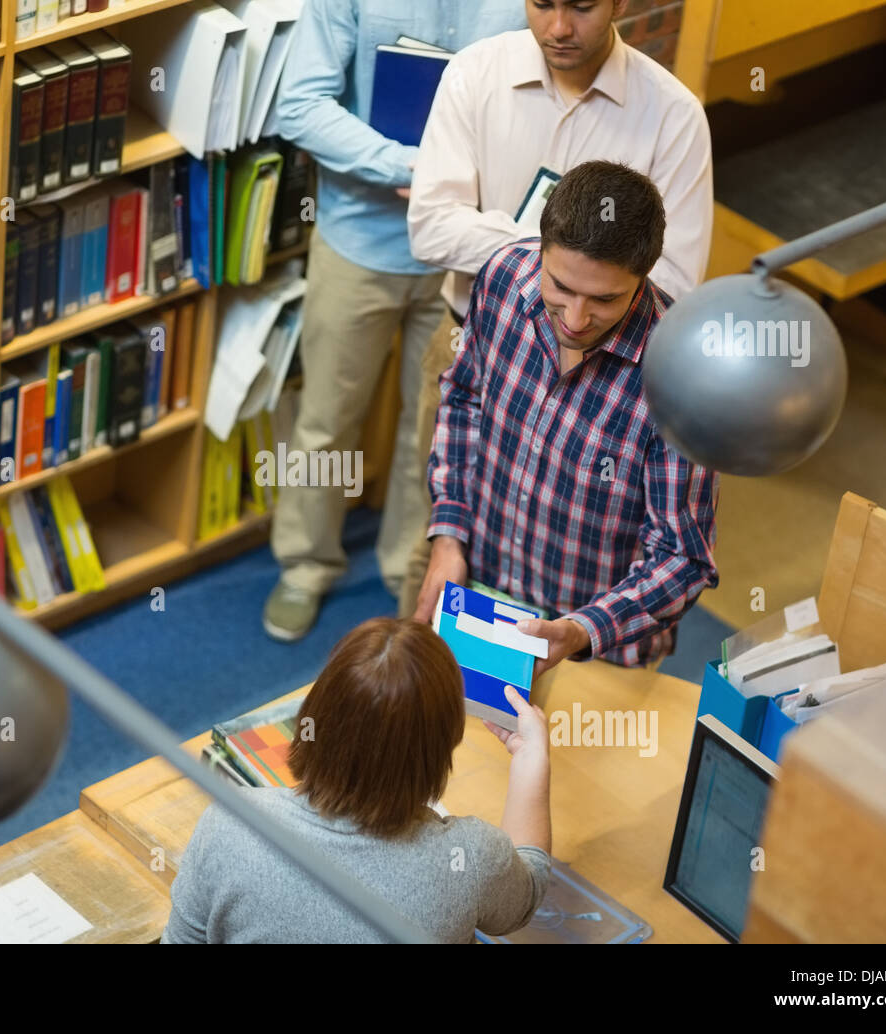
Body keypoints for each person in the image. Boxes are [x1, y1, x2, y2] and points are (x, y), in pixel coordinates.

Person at [398, 0, 714, 616]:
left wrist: (551, 257)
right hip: (475, 338)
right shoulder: (474, 74)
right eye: (542, 3)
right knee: (440, 534)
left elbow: (673, 281)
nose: (559, 27)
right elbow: (431, 230)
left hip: (614, 381)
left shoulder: (673, 116)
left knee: (575, 558)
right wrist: (549, 255)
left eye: (582, 6)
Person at [262, 0, 528, 642]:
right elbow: (299, 103)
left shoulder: (526, 8)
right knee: (326, 420)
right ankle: (304, 563)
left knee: (435, 426)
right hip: (360, 239)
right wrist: (407, 166)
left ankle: (412, 569)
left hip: (470, 252)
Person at [413, 161, 720, 695]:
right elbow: (463, 400)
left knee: (574, 779)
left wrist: (580, 632)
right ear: (539, 248)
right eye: (561, 287)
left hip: (598, 650)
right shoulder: (505, 277)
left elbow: (682, 559)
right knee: (460, 769)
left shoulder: (681, 373)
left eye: (604, 299)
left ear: (643, 277)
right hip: (482, 592)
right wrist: (448, 534)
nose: (576, 318)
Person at [162, 617, 551, 943]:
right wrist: (531, 761)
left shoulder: (229, 825)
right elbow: (526, 895)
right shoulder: (475, 859)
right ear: (443, 748)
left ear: (313, 714)